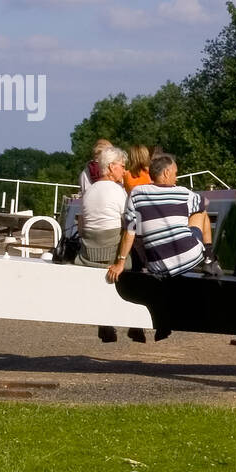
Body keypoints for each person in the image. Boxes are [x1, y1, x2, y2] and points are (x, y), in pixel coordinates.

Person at [107, 153, 220, 280]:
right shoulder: (182, 193)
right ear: (166, 173)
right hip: (189, 257)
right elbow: (205, 203)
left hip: (157, 267)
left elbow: (130, 231)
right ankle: (209, 260)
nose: (176, 178)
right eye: (175, 173)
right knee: (201, 211)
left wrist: (120, 263)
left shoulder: (136, 193)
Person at [77, 146, 146, 343]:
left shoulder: (88, 192)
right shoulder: (118, 192)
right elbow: (132, 226)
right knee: (141, 258)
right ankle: (136, 323)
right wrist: (122, 259)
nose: (124, 171)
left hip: (88, 254)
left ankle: (105, 323)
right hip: (110, 254)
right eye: (122, 167)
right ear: (111, 167)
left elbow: (81, 227)